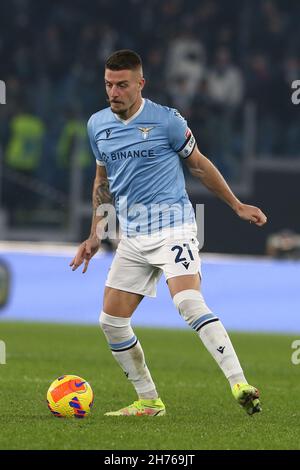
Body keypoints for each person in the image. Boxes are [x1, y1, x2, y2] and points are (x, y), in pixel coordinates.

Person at [70, 50, 267, 417]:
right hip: (131, 236)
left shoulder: (168, 121)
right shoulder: (98, 125)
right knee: (111, 322)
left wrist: (237, 205)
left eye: (122, 85)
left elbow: (200, 166)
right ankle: (149, 401)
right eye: (109, 84)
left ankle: (239, 382)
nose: (114, 91)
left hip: (173, 227)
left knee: (188, 303)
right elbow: (102, 182)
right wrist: (96, 235)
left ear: (140, 84)